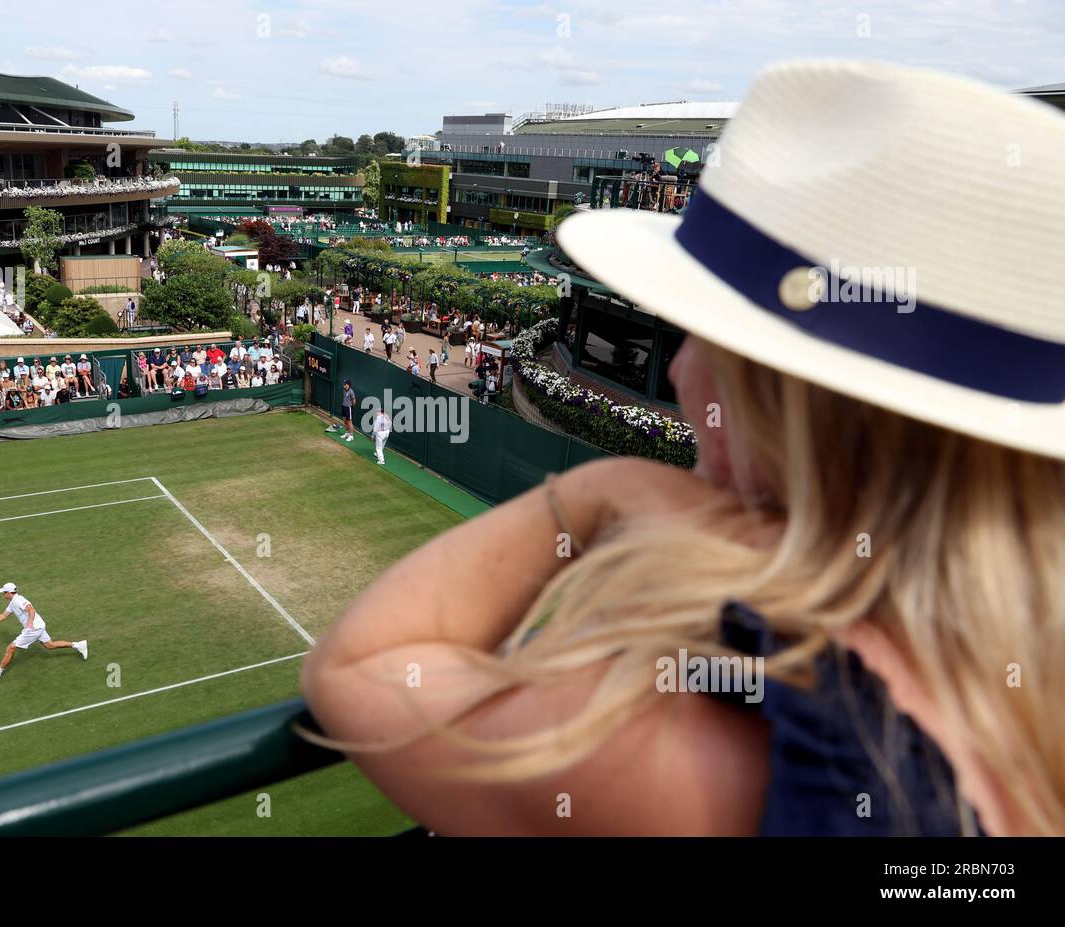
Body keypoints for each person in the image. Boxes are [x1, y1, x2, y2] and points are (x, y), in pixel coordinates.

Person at [300, 60, 1065, 837]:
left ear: (781, 402)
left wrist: (602, 494)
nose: (679, 365)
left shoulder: (704, 750)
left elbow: (363, 668)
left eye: (702, 332)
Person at [0, 583, 87, 682]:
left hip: (33, 629)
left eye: (4, 592)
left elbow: (31, 609)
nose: (3, 595)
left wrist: (30, 623)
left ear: (9, 593)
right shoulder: (12, 603)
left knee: (10, 648)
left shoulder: (19, 600)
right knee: (50, 645)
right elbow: (3, 616)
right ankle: (79, 645)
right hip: (39, 626)